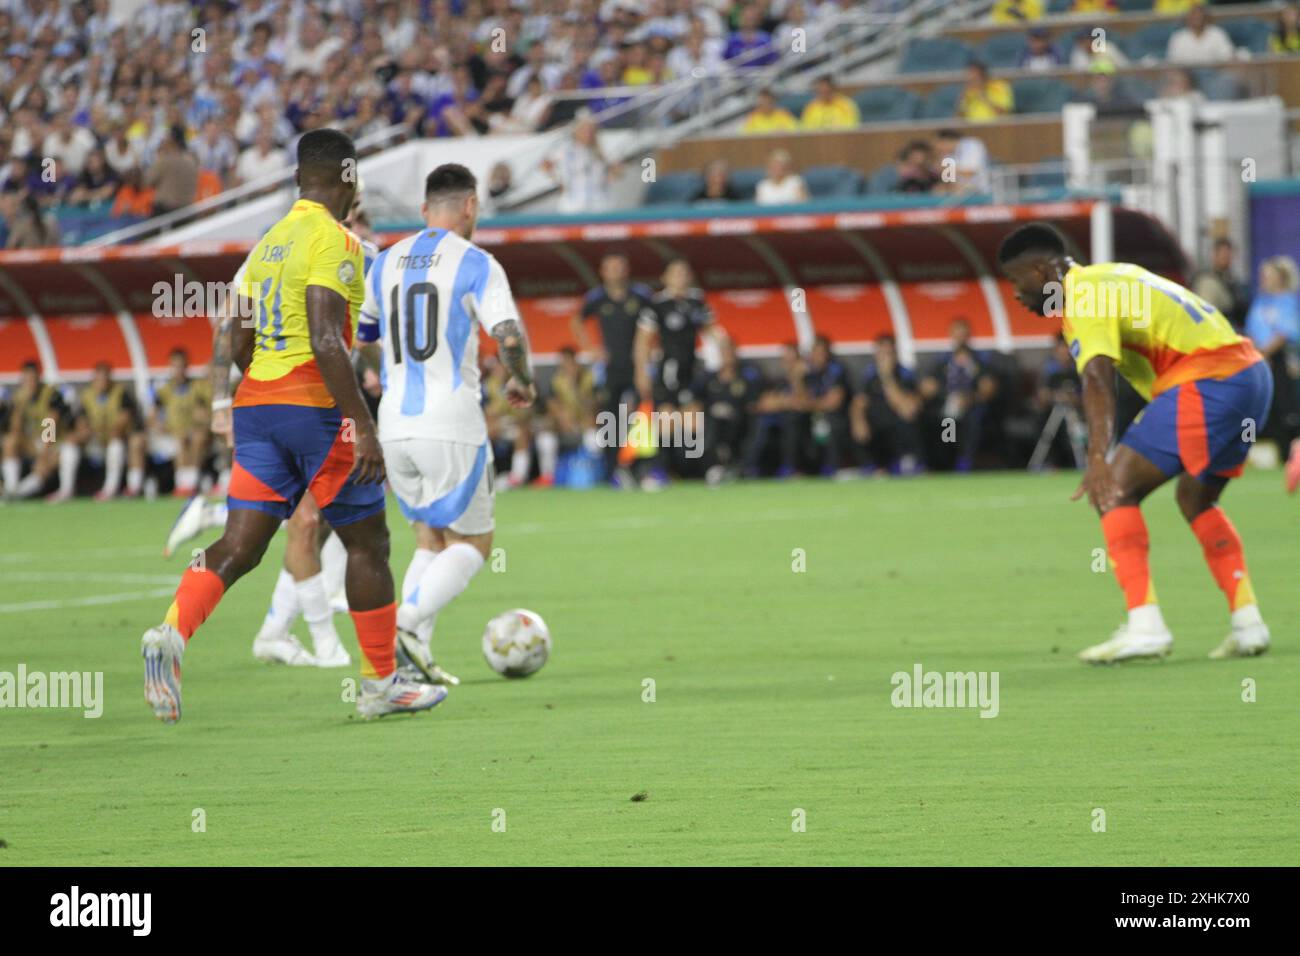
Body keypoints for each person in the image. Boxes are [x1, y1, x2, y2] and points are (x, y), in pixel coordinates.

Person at [140, 128, 446, 724]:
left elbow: (238, 336)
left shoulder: (269, 241)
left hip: (258, 409)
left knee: (238, 545)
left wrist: (263, 389)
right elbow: (329, 338)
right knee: (369, 542)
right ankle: (382, 682)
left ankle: (171, 634)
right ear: (350, 176)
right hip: (317, 410)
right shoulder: (336, 242)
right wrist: (364, 425)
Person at [997, 221, 1272, 662]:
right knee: (1196, 500)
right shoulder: (1113, 275)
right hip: (1251, 376)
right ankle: (1248, 622)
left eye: (1015, 280)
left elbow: (1097, 377)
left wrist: (1097, 458)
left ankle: (1145, 625)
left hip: (1210, 380)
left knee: (1115, 491)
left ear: (1044, 270)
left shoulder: (1081, 296)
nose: (1014, 293)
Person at [358, 163, 536, 687]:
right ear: (471, 206)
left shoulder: (384, 262)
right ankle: (404, 626)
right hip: (451, 422)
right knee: (473, 545)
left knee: (430, 542)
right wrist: (521, 380)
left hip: (394, 424)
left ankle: (409, 669)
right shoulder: (478, 262)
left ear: (423, 211)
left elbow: (362, 342)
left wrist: (382, 378)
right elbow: (506, 334)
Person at [633, 258, 728, 485]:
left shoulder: (697, 301)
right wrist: (641, 371)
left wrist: (724, 352)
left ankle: (709, 469)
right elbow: (643, 341)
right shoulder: (657, 305)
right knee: (666, 420)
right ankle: (659, 472)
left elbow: (713, 331)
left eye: (684, 272)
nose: (680, 277)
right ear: (664, 278)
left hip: (691, 370)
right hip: (668, 370)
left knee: (693, 421)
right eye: (675, 273)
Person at [571, 252, 657, 484]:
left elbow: (657, 321)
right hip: (611, 367)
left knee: (642, 416)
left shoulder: (641, 295)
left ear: (627, 270)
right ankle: (612, 470)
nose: (616, 272)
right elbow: (577, 321)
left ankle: (641, 467)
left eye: (620, 267)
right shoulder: (597, 298)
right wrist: (591, 348)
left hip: (638, 365)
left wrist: (650, 353)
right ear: (603, 272)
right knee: (610, 418)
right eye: (611, 268)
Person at [1242, 257, 1300, 455]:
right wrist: (1256, 354)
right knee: (1252, 409)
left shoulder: (1287, 301)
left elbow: (1285, 333)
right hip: (1256, 360)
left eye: (1268, 275)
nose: (1264, 279)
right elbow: (1251, 329)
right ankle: (1244, 448)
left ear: (1281, 278)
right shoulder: (1260, 301)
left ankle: (1291, 455)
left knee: (1285, 411)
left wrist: (1264, 353)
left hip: (1278, 362)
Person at [67, 360, 146, 502]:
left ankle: (111, 489)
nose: (102, 381)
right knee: (70, 443)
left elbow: (122, 422)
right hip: (94, 441)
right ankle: (66, 490)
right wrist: (85, 432)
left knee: (116, 443)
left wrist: (107, 433)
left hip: (118, 441)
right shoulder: (87, 395)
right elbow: (80, 422)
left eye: (105, 377)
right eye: (99, 378)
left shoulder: (121, 393)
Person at [850, 334, 924, 474]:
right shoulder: (869, 375)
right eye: (881, 353)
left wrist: (887, 377)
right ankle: (872, 466)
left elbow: (907, 409)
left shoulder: (905, 374)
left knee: (908, 420)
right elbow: (858, 403)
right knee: (857, 423)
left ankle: (907, 463)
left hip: (898, 424)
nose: (885, 358)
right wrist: (858, 421)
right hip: (877, 428)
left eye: (889, 353)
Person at [1, 360, 71, 500]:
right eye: (26, 379)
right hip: (33, 442)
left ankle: (18, 493)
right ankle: (11, 487)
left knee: (45, 465)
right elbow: (15, 429)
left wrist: (44, 453)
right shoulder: (19, 397)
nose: (30, 382)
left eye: (32, 378)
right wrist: (19, 408)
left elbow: (50, 422)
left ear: (38, 377)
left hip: (53, 443)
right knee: (9, 442)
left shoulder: (51, 394)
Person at [149, 347, 211, 497]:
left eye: (181, 366)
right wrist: (159, 425)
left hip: (194, 432)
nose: (178, 370)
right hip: (170, 434)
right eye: (175, 366)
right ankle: (183, 483)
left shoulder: (198, 387)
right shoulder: (163, 390)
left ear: (187, 366)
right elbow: (152, 416)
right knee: (181, 439)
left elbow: (209, 412)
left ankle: (189, 483)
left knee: (195, 438)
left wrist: (203, 416)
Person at [1191, 237, 1250, 330]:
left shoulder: (1232, 279)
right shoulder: (1207, 280)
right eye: (1223, 255)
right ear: (1214, 255)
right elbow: (1206, 312)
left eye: (1229, 256)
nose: (1227, 259)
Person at [1167, 7, 1236, 65]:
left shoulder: (1217, 33)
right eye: (1193, 16)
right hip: (1186, 74)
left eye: (1199, 16)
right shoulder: (1178, 36)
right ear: (1188, 19)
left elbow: (1227, 57)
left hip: (1215, 72)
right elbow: (1173, 63)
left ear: (1205, 18)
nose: (1197, 19)